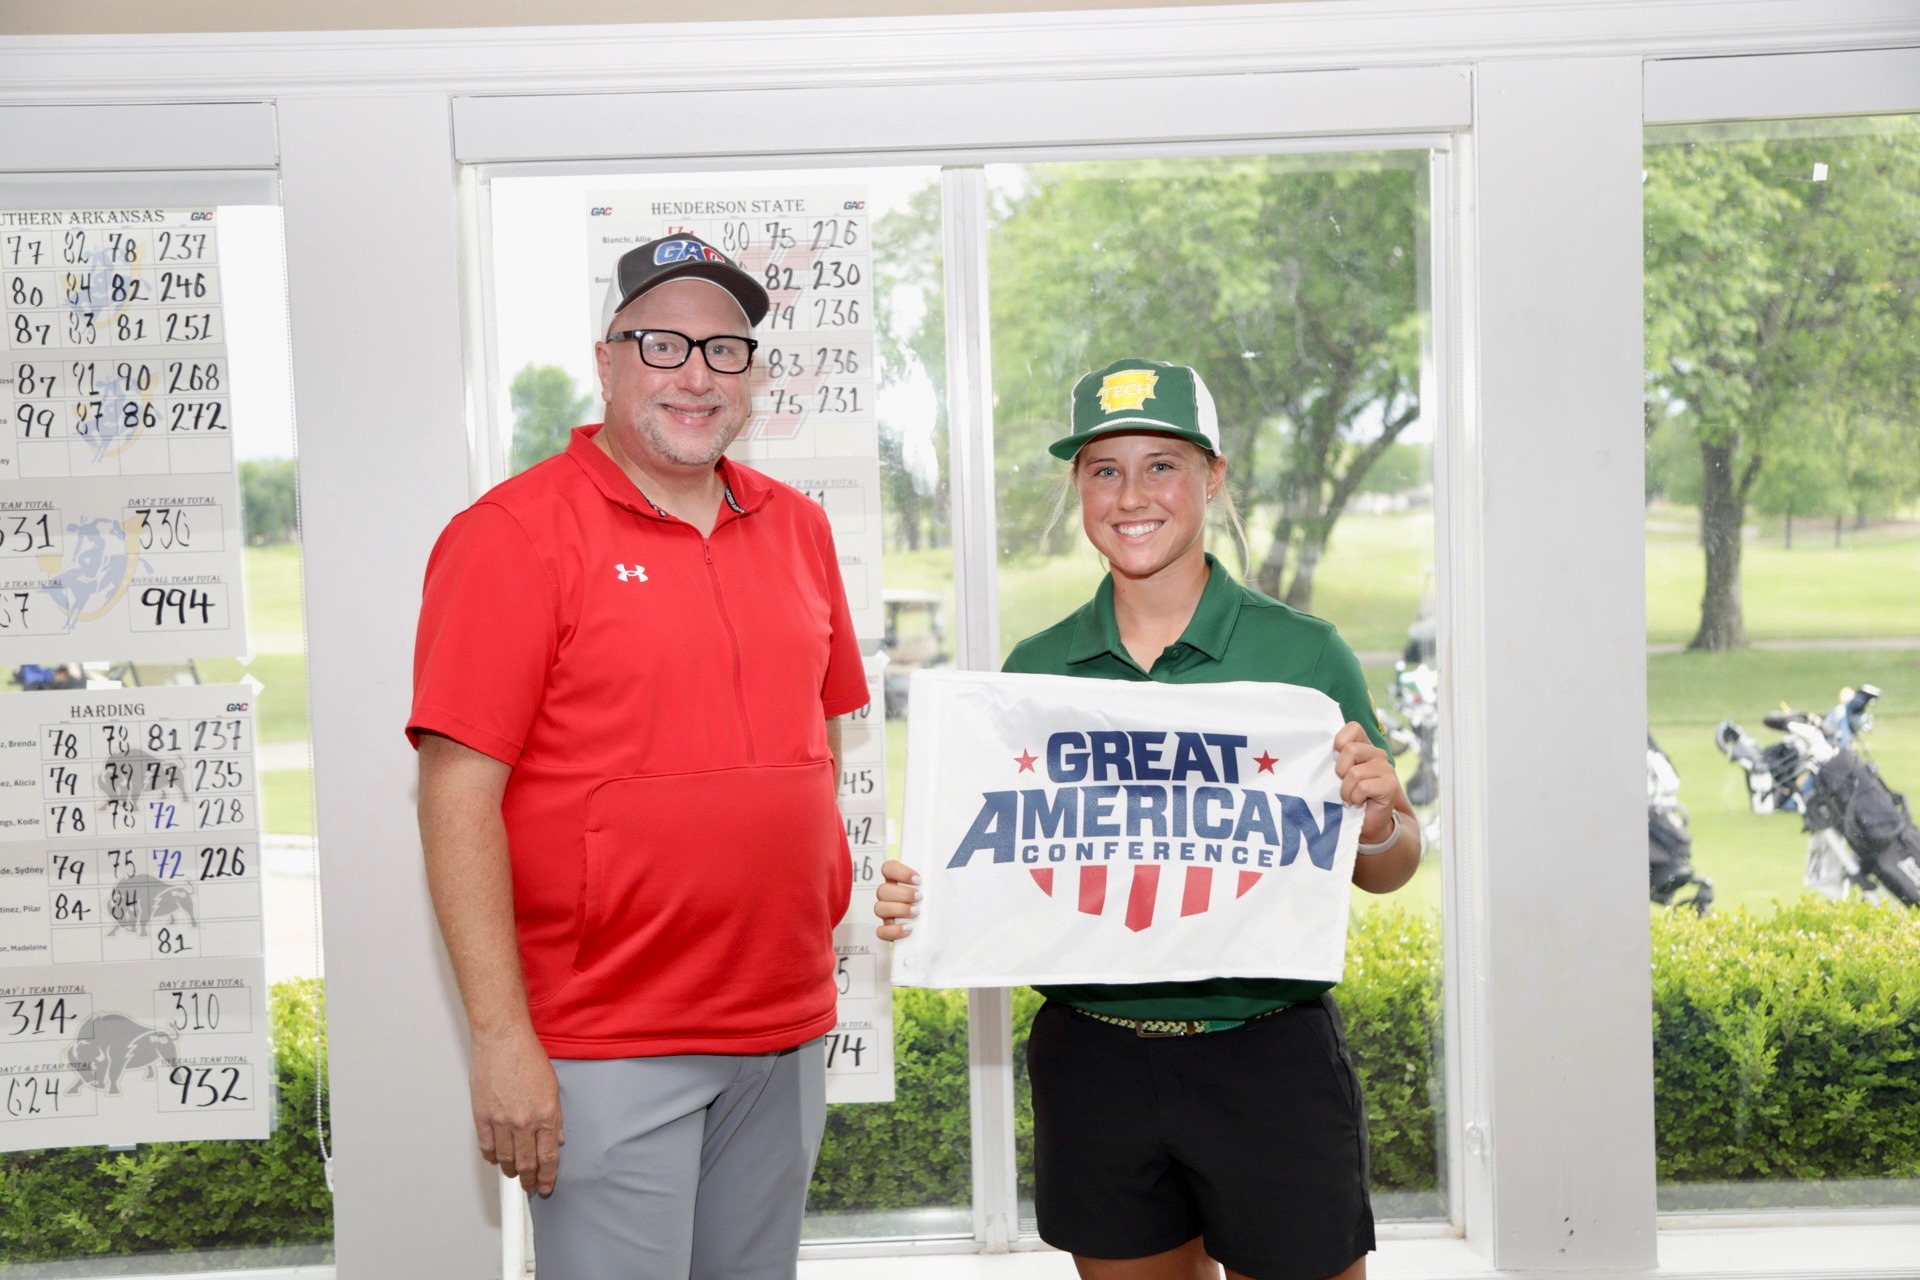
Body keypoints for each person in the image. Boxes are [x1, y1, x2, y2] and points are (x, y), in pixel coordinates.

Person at [877, 358, 1421, 1280]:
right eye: (1104, 469)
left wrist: (1373, 817)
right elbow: (1007, 853)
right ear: (1079, 488)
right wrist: (923, 894)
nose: (1132, 494)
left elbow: (1390, 861)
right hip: (1095, 1058)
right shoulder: (1038, 670)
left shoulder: (1303, 654)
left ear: (1212, 477)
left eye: (1162, 464)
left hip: (1267, 1056)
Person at [409, 233, 869, 1280]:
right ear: (606, 360)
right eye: (662, 344)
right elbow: (455, 794)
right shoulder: (512, 535)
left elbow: (824, 728)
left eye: (725, 349)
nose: (696, 374)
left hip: (784, 1022)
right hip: (608, 1039)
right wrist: (500, 1035)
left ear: (752, 374)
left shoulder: (797, 527)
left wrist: (821, 879)